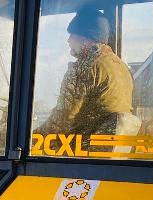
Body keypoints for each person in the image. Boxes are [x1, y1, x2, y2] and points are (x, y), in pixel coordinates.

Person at [41, 8, 134, 140]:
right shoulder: (121, 67)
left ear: (86, 40)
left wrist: (31, 138)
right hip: (105, 151)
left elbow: (63, 119)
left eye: (72, 36)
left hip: (82, 149)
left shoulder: (84, 67)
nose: (68, 41)